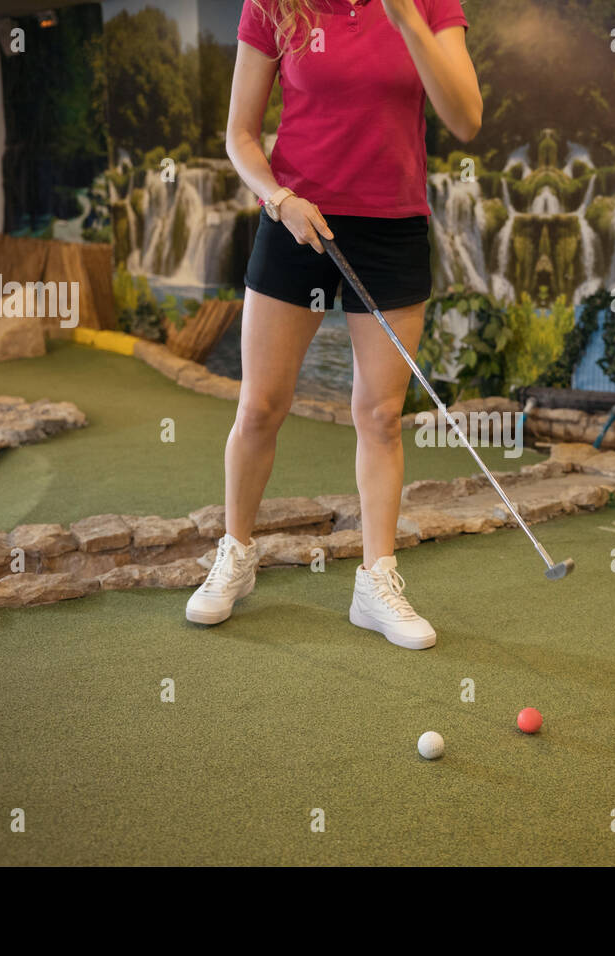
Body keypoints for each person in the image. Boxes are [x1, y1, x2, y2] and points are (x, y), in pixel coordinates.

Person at [186, 0, 482, 651]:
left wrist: (406, 18)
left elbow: (464, 118)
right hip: (295, 216)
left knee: (379, 415)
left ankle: (376, 583)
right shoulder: (272, 5)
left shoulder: (429, 4)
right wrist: (279, 199)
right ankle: (236, 554)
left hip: (393, 229)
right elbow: (239, 136)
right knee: (260, 405)